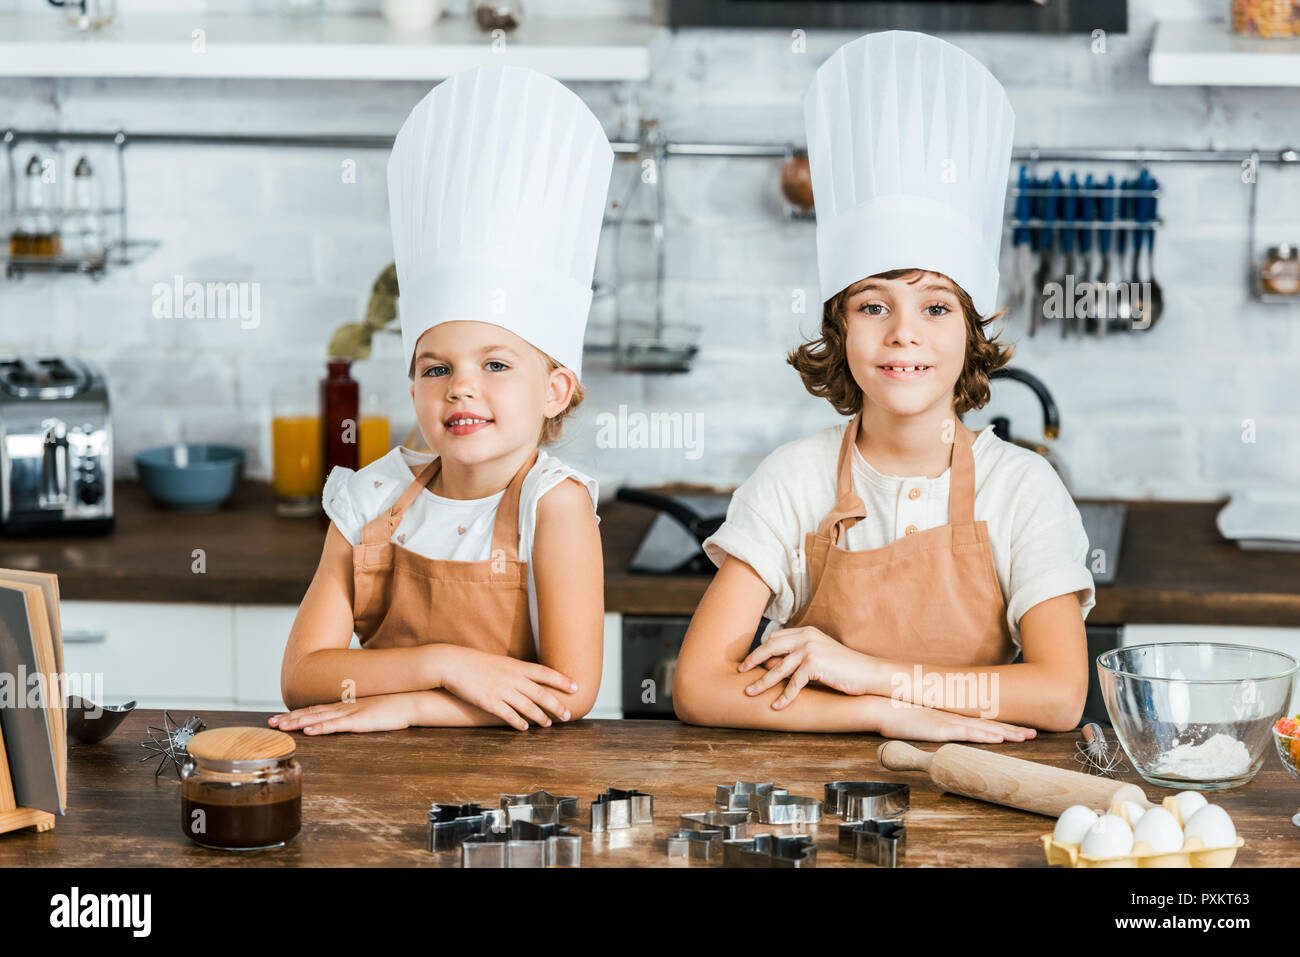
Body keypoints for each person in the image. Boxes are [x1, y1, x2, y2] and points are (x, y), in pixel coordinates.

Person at [674, 31, 1094, 740]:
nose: (904, 333)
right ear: (840, 327)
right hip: (810, 806)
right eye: (873, 305)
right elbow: (698, 685)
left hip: (978, 797)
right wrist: (881, 713)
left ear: (970, 333)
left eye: (936, 307)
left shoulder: (1022, 489)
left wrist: (869, 671)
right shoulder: (794, 481)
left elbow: (1057, 695)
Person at [272, 64, 612, 735]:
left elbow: (568, 694)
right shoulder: (371, 497)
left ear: (554, 390)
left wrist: (410, 703)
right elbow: (302, 675)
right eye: (436, 368)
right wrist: (452, 664)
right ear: (412, 387)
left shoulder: (556, 505)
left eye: (494, 363)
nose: (460, 386)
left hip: (516, 801)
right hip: (376, 785)